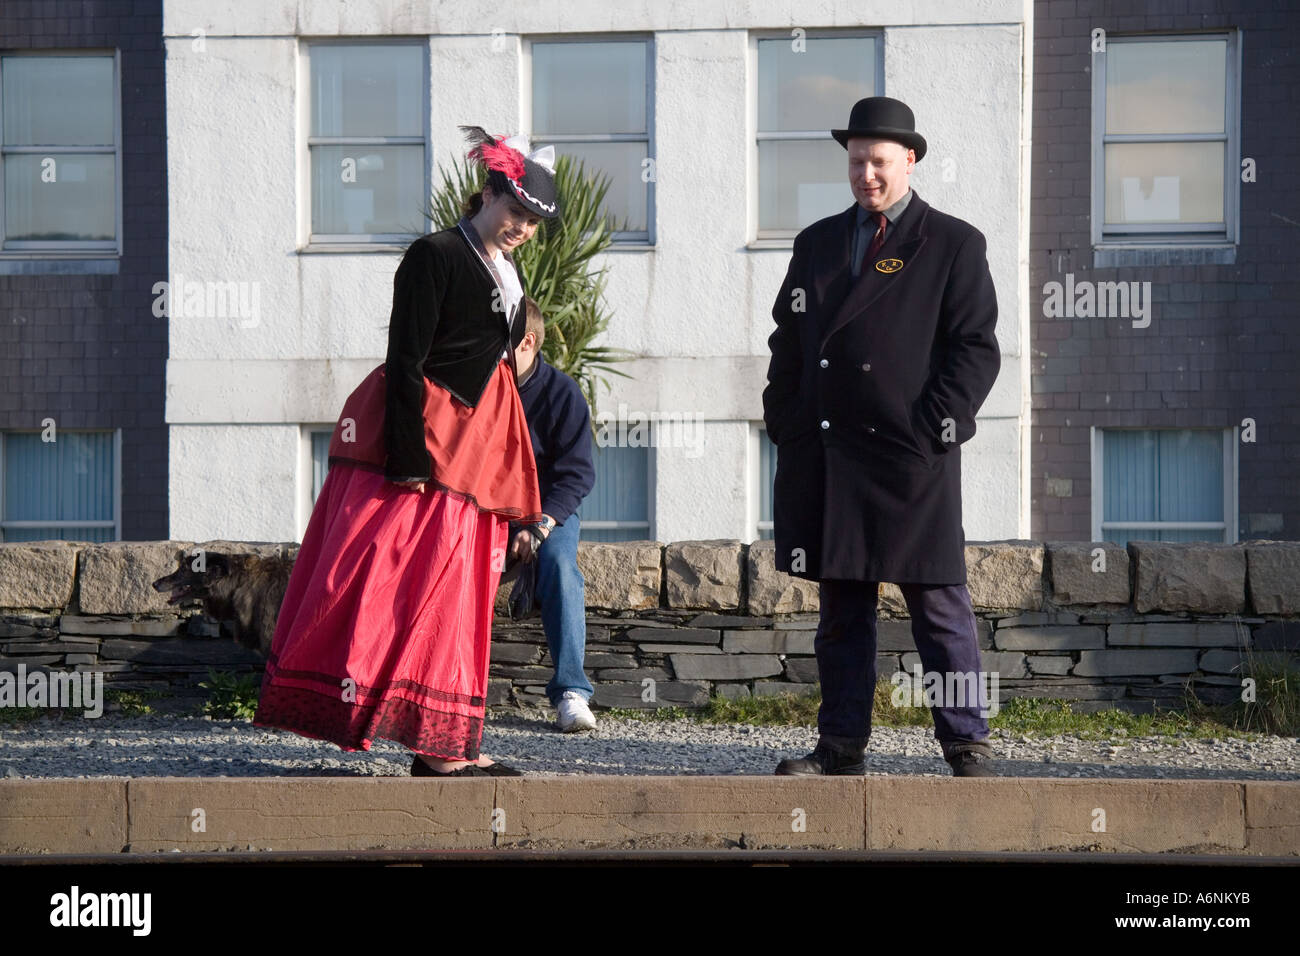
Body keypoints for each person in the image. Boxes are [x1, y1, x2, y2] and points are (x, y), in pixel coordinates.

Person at [253, 126, 561, 777]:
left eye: (532, 222)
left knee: (457, 596)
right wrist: (409, 459)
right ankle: (433, 746)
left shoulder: (505, 268)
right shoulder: (435, 255)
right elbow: (406, 358)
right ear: (487, 194)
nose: (522, 228)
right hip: (431, 448)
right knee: (397, 585)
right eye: (516, 213)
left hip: (475, 454)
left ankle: (444, 743)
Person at [763, 97, 1002, 778]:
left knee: (939, 607)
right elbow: (788, 342)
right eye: (857, 160)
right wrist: (786, 418)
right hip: (831, 455)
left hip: (911, 455)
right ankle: (839, 749)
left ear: (909, 161)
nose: (866, 173)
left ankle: (967, 745)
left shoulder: (954, 242)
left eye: (879, 161)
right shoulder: (815, 244)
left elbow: (976, 350)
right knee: (841, 615)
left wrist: (935, 428)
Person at [507, 296, 598, 732]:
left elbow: (578, 474)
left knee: (561, 568)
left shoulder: (563, 393)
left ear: (527, 341)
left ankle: (571, 694)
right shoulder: (481, 392)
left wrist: (539, 525)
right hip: (487, 511)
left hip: (550, 512)